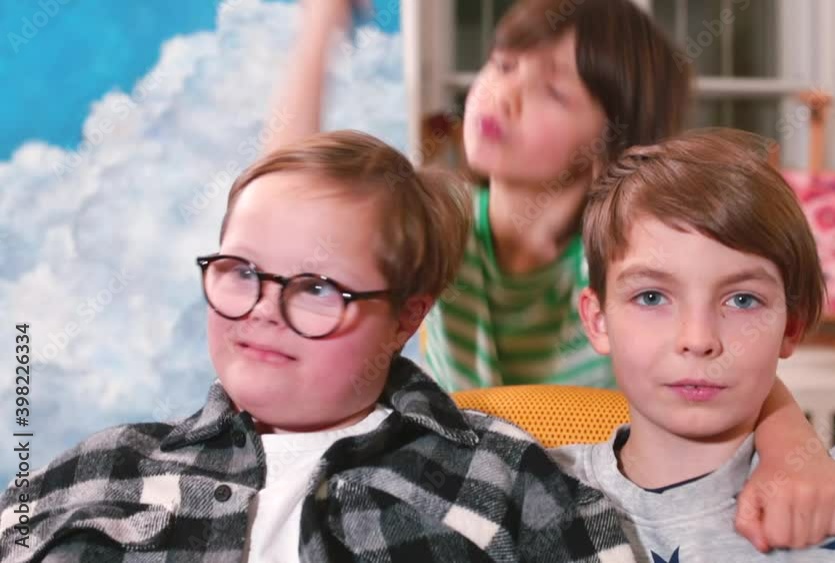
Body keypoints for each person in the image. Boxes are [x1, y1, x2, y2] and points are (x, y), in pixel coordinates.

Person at [267, 0, 835, 551]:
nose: (504, 93)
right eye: (501, 64)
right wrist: (320, 29)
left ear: (606, 143)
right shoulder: (440, 226)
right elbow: (293, 200)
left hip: (609, 521)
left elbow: (718, 354)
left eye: (551, 89)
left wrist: (793, 452)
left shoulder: (624, 259)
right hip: (465, 513)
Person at [0, 131, 636, 562]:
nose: (264, 311)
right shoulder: (97, 469)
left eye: (318, 288)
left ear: (404, 319)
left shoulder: (509, 479)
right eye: (242, 272)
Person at [551, 128, 835, 562]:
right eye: (651, 297)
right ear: (598, 319)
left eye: (742, 300)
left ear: (792, 327)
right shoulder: (532, 491)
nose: (698, 340)